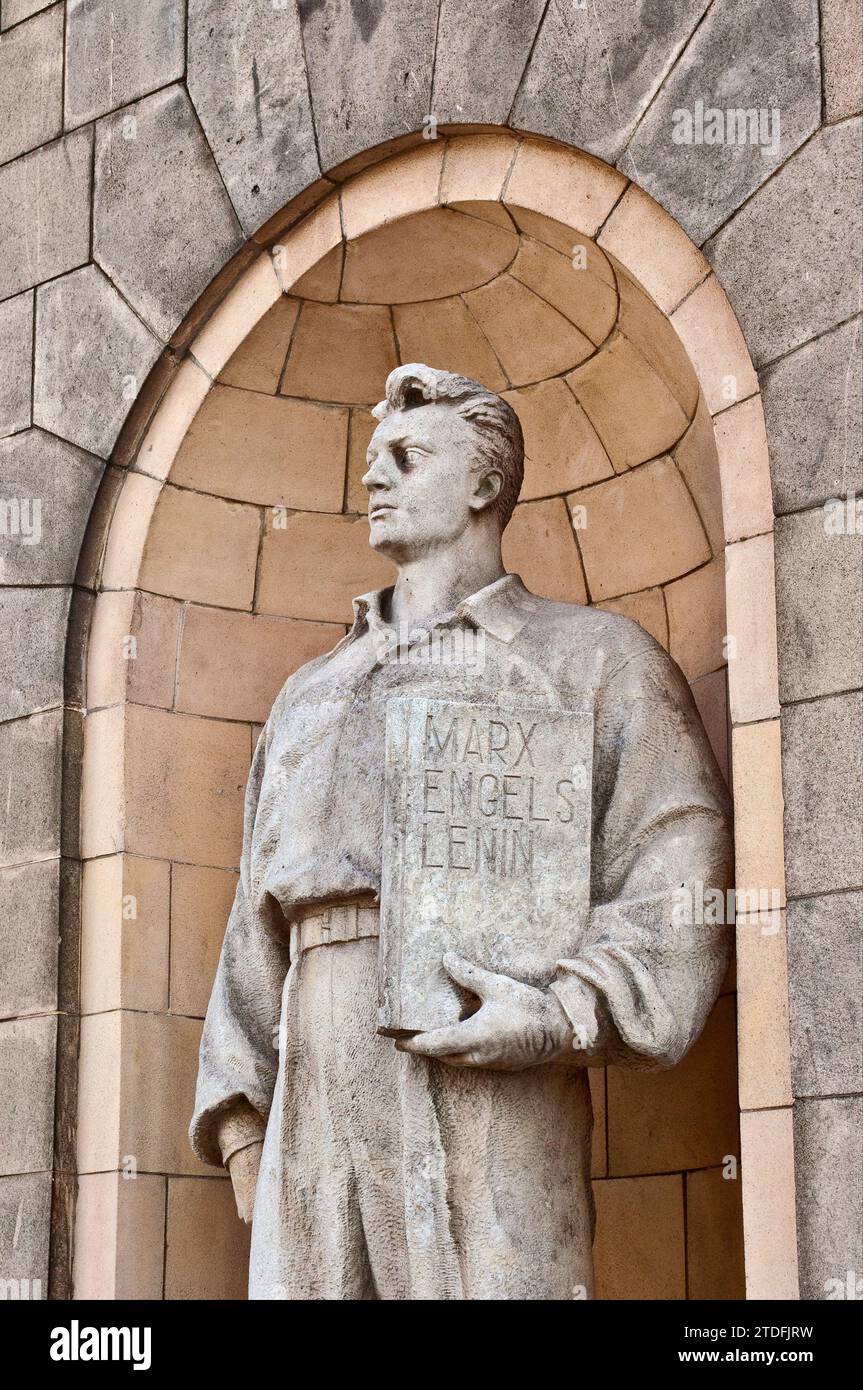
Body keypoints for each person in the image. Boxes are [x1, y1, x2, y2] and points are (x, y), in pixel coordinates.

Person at [190, 363, 732, 1299]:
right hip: (315, 1059)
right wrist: (242, 1117)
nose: (374, 478)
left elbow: (677, 864)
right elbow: (257, 915)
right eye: (370, 461)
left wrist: (565, 1013)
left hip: (496, 1065)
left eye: (406, 455)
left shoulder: (592, 658)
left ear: (484, 485)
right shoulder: (309, 691)